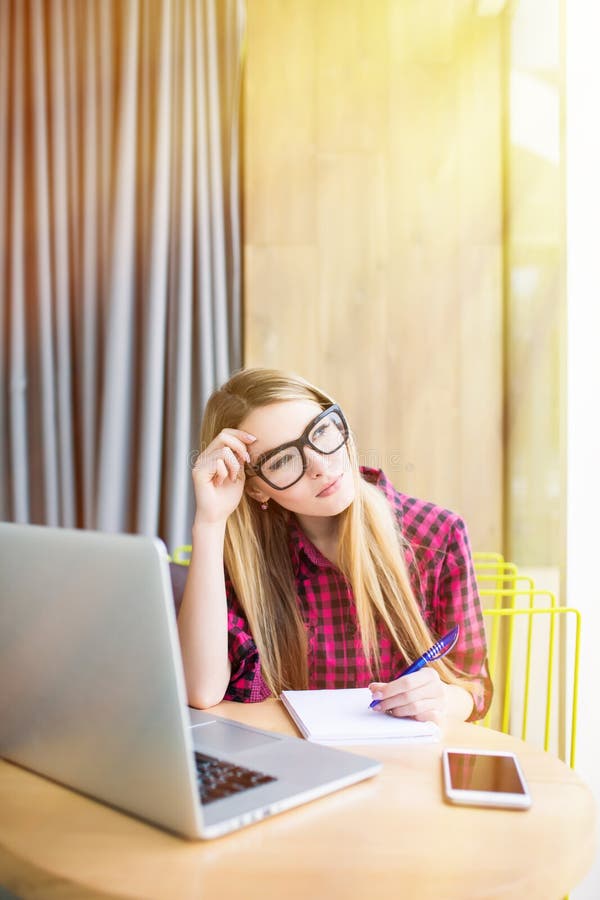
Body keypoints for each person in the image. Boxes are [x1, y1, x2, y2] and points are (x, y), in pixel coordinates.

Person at [177, 367, 492, 724]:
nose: (320, 466)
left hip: (402, 767)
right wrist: (209, 522)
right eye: (283, 460)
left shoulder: (436, 535)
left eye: (321, 431)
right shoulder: (242, 560)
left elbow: (473, 688)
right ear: (255, 488)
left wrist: (441, 699)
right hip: (294, 767)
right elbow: (201, 692)